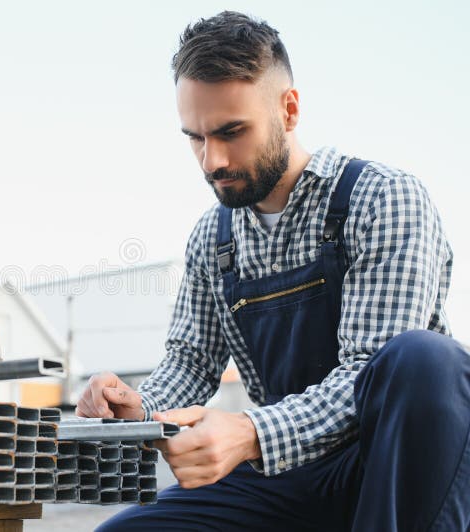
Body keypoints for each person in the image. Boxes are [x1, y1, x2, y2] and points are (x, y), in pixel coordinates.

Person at [76, 11, 470, 531]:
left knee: (425, 358)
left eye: (231, 132)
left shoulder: (383, 199)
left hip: (393, 468)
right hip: (288, 473)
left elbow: (367, 372)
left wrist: (250, 433)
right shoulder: (212, 240)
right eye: (195, 137)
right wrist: (138, 410)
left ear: (289, 109)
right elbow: (191, 364)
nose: (211, 160)